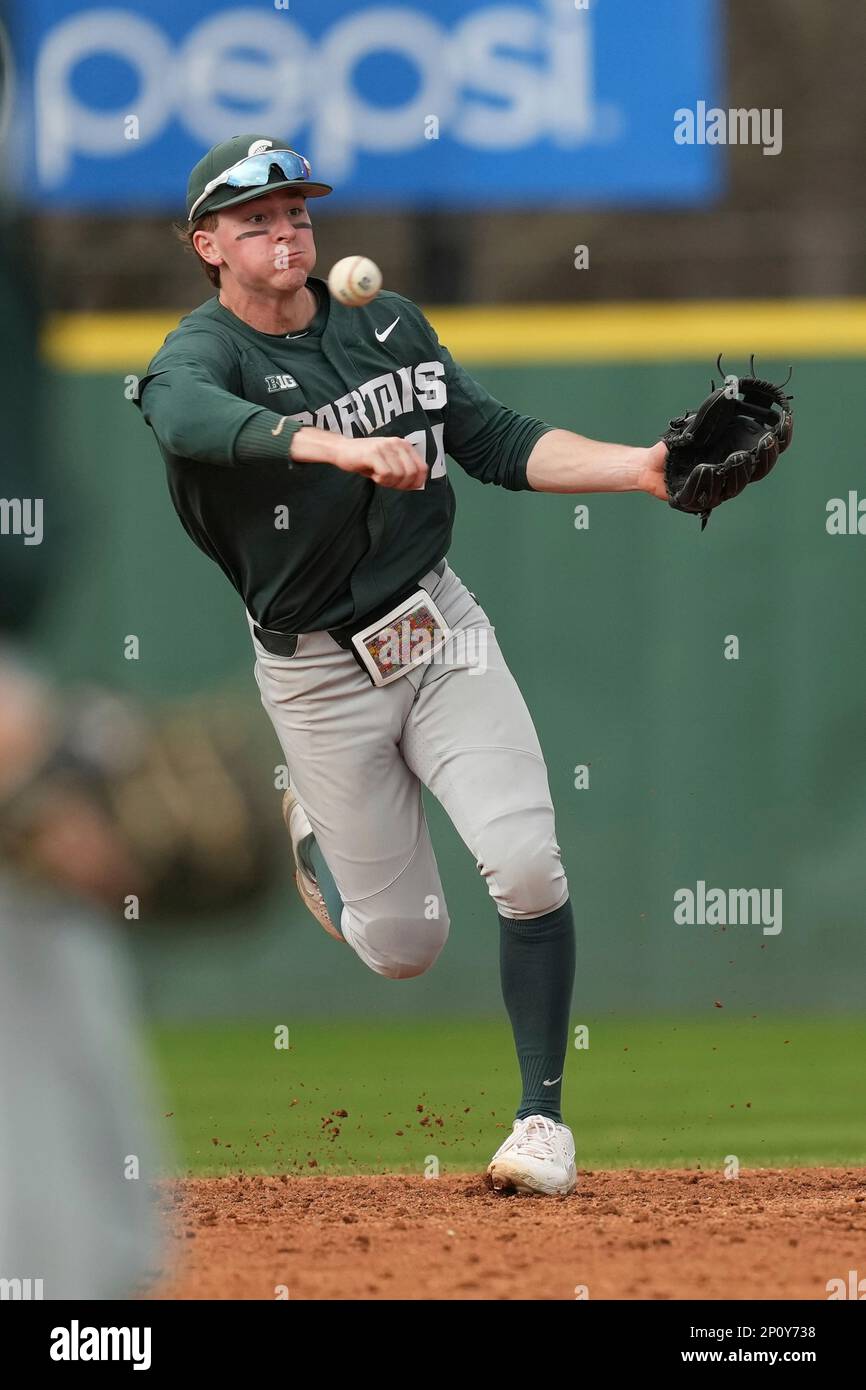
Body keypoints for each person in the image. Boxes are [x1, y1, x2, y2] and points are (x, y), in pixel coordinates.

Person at [135, 135, 668, 1196]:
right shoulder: (200, 356)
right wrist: (333, 445)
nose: (285, 233)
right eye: (255, 221)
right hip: (316, 674)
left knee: (524, 864)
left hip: (439, 629)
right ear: (209, 245)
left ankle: (540, 1122)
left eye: (297, 214)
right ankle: (315, 820)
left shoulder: (383, 320)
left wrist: (640, 470)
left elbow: (490, 435)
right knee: (402, 947)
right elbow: (186, 416)